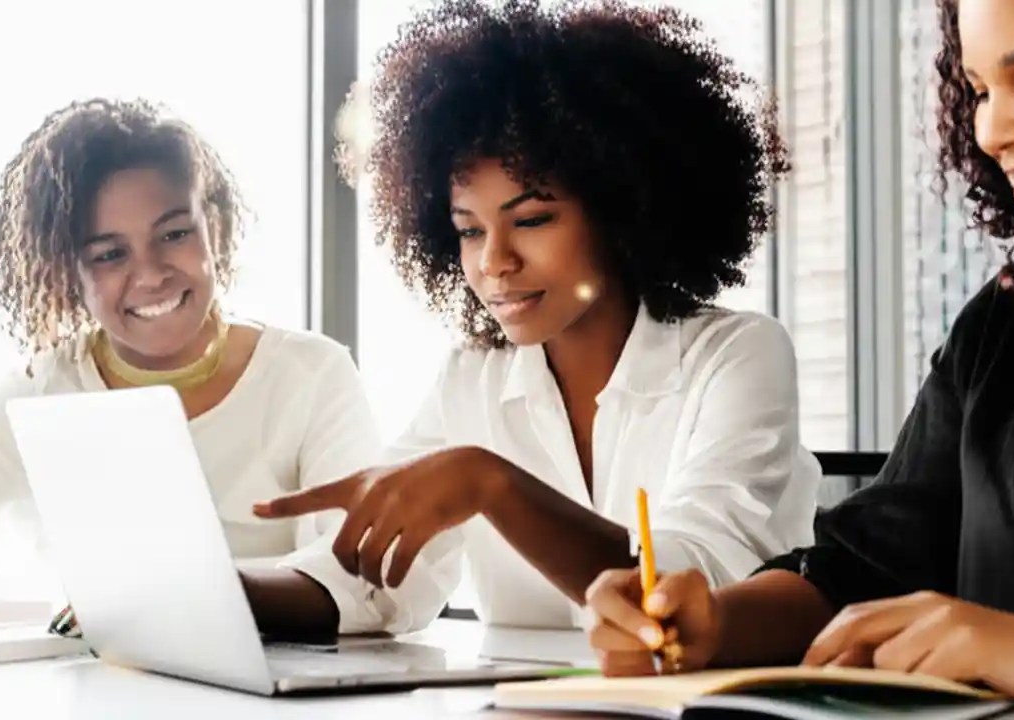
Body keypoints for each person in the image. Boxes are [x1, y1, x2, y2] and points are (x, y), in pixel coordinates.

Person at [582, 0, 1014, 704]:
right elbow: (863, 570)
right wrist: (709, 621)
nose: (992, 130)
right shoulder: (1006, 329)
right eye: (979, 91)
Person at [254, 0, 821, 633]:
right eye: (468, 231)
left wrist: (490, 484)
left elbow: (684, 587)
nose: (494, 262)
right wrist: (204, 593)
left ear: (622, 208)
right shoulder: (473, 378)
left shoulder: (738, 357)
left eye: (531, 221)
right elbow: (368, 582)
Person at [0, 99, 379, 638]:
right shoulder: (43, 391)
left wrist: (200, 597)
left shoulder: (312, 374)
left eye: (173, 235)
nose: (151, 275)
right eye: (109, 255)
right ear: (67, 273)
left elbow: (366, 584)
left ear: (212, 226)